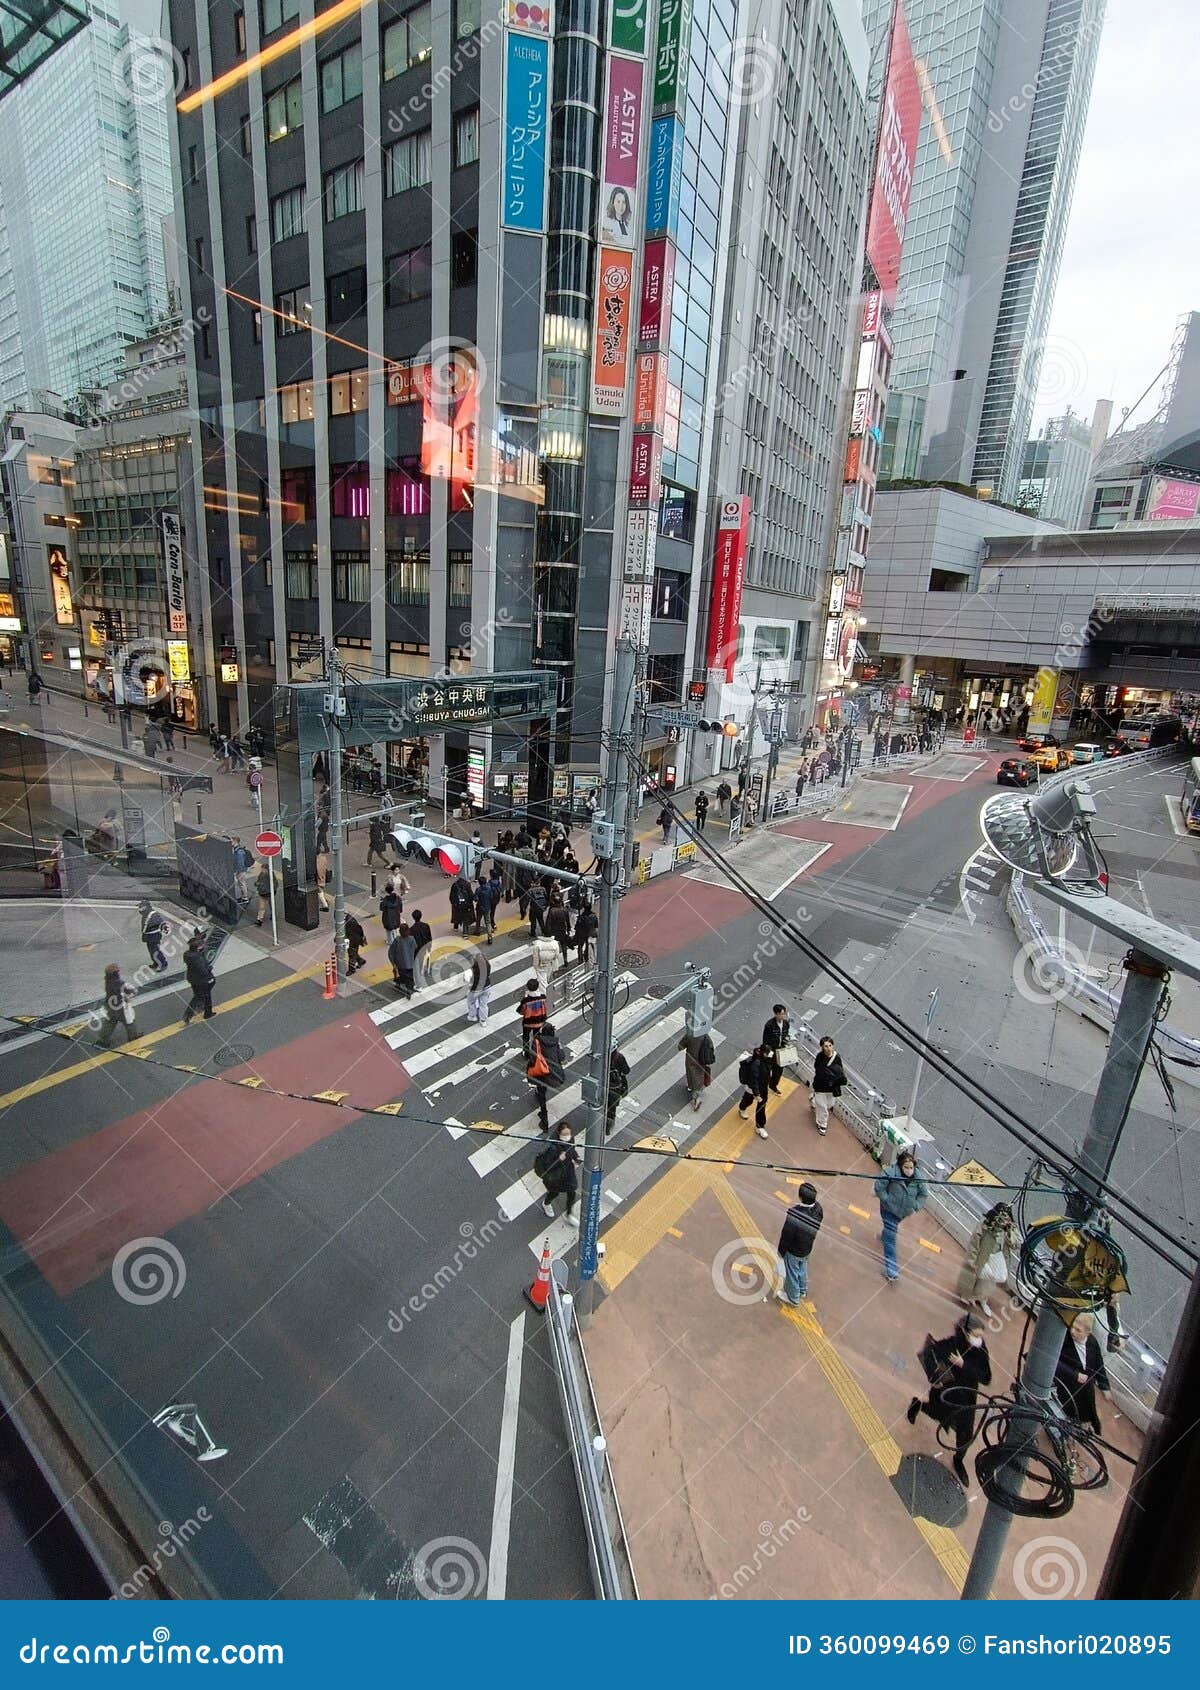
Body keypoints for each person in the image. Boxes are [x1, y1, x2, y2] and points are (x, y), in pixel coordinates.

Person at [907, 1313, 991, 1487]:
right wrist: (935, 1379)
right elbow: (929, 1353)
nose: (979, 1340)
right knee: (936, 1412)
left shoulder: (980, 1351)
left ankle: (958, 1459)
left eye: (980, 1336)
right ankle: (919, 1404)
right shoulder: (949, 1345)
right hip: (945, 1394)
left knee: (966, 1432)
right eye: (976, 1335)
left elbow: (986, 1377)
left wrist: (964, 1365)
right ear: (964, 1332)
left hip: (967, 1398)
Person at [1054, 1314, 1112, 1439]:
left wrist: (1104, 1386)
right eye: (1073, 1327)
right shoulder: (1064, 1339)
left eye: (1078, 1330)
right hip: (1066, 1384)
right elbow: (1053, 1360)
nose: (1072, 1331)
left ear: (1088, 1332)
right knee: (1066, 1411)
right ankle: (1063, 1432)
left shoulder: (1092, 1343)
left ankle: (1078, 1426)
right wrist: (1074, 1375)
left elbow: (1099, 1364)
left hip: (1084, 1387)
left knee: (1085, 1410)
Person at [874, 1150, 928, 1283]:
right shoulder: (891, 1173)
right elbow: (879, 1186)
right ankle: (892, 1270)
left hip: (903, 1213)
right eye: (906, 1167)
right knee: (890, 1240)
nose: (909, 1170)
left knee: (890, 1230)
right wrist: (886, 1199)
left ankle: (885, 1234)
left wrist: (915, 1205)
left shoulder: (918, 1178)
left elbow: (923, 1194)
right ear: (900, 1166)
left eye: (911, 1167)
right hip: (889, 1209)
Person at [956, 1202, 1018, 1317]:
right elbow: (974, 1243)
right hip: (982, 1256)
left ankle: (982, 1299)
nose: (1004, 1221)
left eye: (1006, 1218)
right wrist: (971, 1260)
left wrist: (1009, 1231)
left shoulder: (1009, 1228)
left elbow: (1015, 1244)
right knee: (973, 1277)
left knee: (990, 1281)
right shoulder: (985, 1225)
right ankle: (967, 1296)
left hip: (998, 1256)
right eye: (1002, 1218)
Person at [776, 1182, 823, 1306]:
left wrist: (781, 1251)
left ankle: (793, 1297)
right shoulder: (818, 1209)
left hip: (793, 1250)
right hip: (807, 1247)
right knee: (802, 1267)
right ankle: (802, 1289)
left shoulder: (795, 1213)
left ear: (801, 1197)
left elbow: (786, 1235)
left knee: (791, 1272)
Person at [526, 1020, 565, 1134]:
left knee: (542, 1094)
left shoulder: (536, 1042)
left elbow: (532, 1058)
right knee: (543, 1090)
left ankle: (544, 1119)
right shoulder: (556, 1043)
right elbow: (562, 1057)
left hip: (541, 1073)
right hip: (552, 1074)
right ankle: (543, 1115)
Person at [535, 1122, 580, 1224]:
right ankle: (546, 1204)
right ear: (558, 1133)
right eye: (564, 1135)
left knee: (572, 1191)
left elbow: (571, 1150)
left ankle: (569, 1214)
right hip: (555, 1175)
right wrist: (558, 1159)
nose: (567, 1137)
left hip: (568, 1171)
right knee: (554, 1192)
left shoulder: (570, 1139)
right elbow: (548, 1167)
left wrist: (575, 1157)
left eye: (568, 1134)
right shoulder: (552, 1147)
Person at [810, 1034, 846, 1135]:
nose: (828, 1048)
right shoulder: (819, 1057)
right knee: (822, 1107)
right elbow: (817, 1069)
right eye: (826, 1046)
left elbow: (840, 1071)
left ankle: (813, 1100)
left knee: (829, 1104)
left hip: (832, 1087)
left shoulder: (837, 1057)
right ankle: (822, 1123)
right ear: (822, 1047)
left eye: (830, 1045)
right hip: (820, 1086)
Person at [95, 964, 136, 1047]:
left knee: (110, 1022)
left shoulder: (107, 981)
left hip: (110, 1005)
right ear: (116, 973)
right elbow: (132, 990)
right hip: (121, 1007)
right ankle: (133, 1037)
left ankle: (103, 1040)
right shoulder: (120, 983)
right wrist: (129, 996)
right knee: (129, 1021)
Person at [737, 1046, 771, 1139]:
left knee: (762, 1106)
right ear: (764, 1053)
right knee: (748, 1099)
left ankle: (760, 1126)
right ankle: (742, 1108)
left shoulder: (765, 1060)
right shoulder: (756, 1063)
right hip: (754, 1088)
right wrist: (756, 1094)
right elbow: (753, 1080)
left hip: (763, 1088)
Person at [678, 1030, 715, 1109]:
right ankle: (695, 1092)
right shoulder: (705, 1035)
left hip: (691, 1059)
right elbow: (711, 1047)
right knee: (698, 1077)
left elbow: (681, 1046)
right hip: (702, 1060)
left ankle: (696, 1098)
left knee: (690, 1074)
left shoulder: (690, 1035)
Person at [182, 934, 216, 1023]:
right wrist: (209, 968)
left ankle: (199, 1008)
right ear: (198, 947)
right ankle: (206, 1013)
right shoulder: (198, 958)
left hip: (192, 978)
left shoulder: (187, 955)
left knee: (198, 994)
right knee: (203, 996)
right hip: (203, 980)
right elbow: (204, 971)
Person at [761, 1003, 792, 1093]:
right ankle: (762, 1086)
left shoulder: (786, 1024)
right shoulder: (769, 1025)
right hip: (771, 1051)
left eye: (784, 1013)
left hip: (781, 1050)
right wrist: (768, 1052)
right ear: (776, 1014)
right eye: (781, 1014)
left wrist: (786, 1041)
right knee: (766, 1071)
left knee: (778, 1071)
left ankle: (773, 1085)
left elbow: (786, 1035)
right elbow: (765, 1041)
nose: (783, 1016)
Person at [517, 979, 549, 1058]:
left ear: (528, 988)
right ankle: (535, 1051)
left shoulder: (526, 1001)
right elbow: (545, 1009)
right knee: (536, 1037)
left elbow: (520, 1011)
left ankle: (526, 1052)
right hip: (539, 1022)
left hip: (528, 1023)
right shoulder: (542, 998)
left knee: (526, 1037)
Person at [605, 1046, 630, 1136]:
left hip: (602, 1086)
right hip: (614, 1088)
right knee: (611, 1108)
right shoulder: (619, 1057)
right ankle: (608, 1125)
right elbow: (626, 1071)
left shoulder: (601, 1058)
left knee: (602, 1104)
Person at [138, 899, 168, 972]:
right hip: (149, 935)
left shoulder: (153, 914)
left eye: (141, 907)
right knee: (151, 950)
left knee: (155, 951)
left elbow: (162, 923)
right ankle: (156, 963)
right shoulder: (146, 914)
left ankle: (162, 964)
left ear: (146, 907)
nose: (139, 909)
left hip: (154, 936)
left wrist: (165, 929)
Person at [388, 922, 417, 996]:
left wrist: (394, 963)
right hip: (408, 963)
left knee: (405, 977)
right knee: (408, 977)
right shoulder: (411, 939)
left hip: (402, 964)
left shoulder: (397, 940)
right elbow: (415, 948)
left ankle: (404, 986)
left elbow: (391, 952)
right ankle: (408, 988)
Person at [546, 896, 573, 968]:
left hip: (554, 931)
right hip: (562, 930)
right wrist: (568, 929)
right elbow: (567, 921)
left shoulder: (552, 910)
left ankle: (553, 961)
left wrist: (548, 932)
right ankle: (565, 960)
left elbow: (549, 922)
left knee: (553, 946)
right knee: (563, 945)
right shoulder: (565, 910)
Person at [409, 908, 433, 984]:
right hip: (425, 946)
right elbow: (429, 937)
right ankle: (424, 971)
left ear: (413, 918)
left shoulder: (411, 929)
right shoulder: (426, 925)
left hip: (417, 949)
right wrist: (429, 947)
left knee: (417, 963)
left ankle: (418, 976)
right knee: (424, 959)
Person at [467, 949, 491, 1023]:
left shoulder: (470, 971)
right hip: (486, 987)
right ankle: (483, 1020)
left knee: (471, 1002)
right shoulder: (488, 965)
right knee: (483, 1004)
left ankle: (472, 1016)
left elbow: (466, 980)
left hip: (475, 989)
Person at [230, 836, 252, 904]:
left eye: (231, 841)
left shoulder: (239, 852)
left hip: (241, 870)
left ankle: (245, 898)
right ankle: (244, 897)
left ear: (235, 841)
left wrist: (235, 871)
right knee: (241, 883)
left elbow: (240, 863)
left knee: (242, 883)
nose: (230, 842)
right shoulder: (237, 849)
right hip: (241, 870)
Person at [254, 861, 272, 928]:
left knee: (271, 905)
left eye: (263, 869)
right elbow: (258, 881)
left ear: (266, 869)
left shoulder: (270, 875)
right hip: (262, 893)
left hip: (268, 893)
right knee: (261, 907)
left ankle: (272, 915)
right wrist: (257, 884)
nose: (262, 870)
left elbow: (274, 884)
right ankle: (260, 920)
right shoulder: (261, 874)